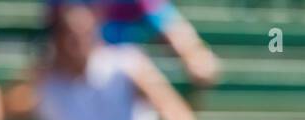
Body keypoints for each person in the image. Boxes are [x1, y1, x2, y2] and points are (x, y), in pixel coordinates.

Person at [5, 2, 222, 120]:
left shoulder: (129, 64)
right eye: (68, 36)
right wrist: (39, 72)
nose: (75, 44)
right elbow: (9, 108)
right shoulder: (46, 81)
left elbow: (171, 108)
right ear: (56, 39)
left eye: (81, 35)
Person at [53, 0, 221, 90]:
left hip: (126, 85)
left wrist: (194, 56)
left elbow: (176, 34)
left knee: (134, 65)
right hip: (73, 78)